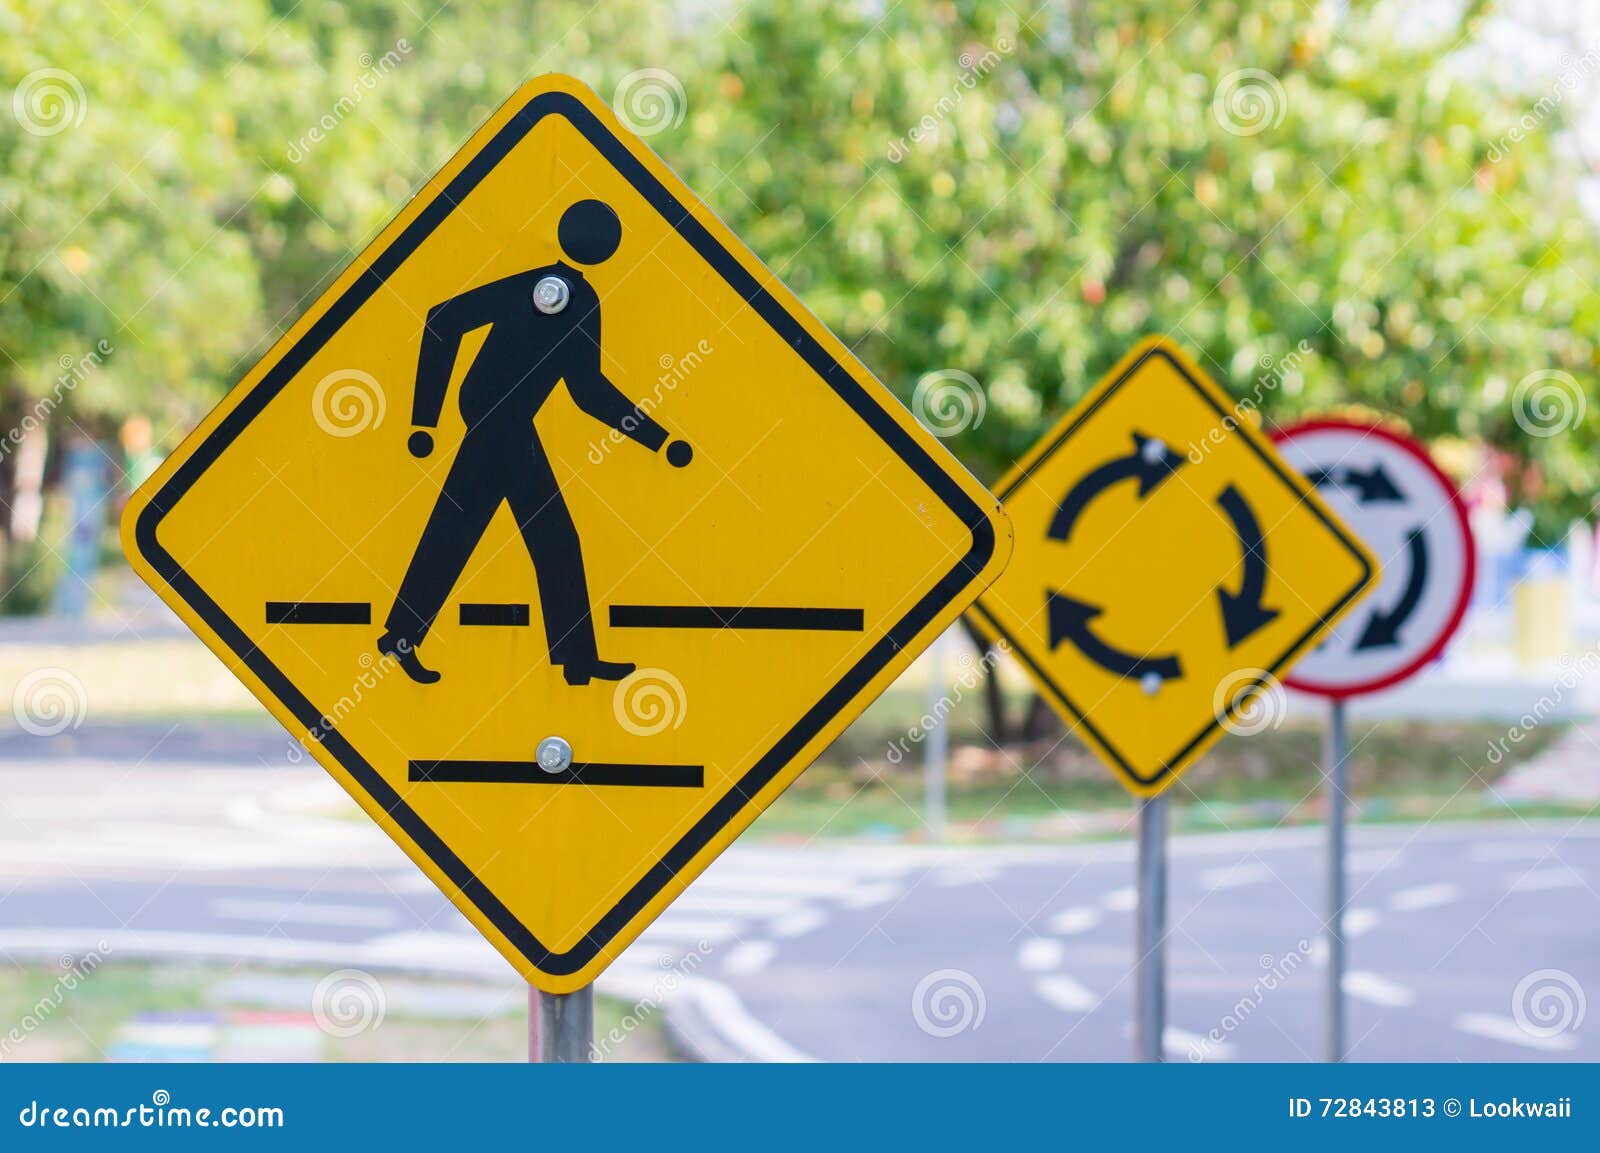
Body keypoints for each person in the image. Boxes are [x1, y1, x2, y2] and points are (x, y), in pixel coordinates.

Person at [378, 199, 692, 685]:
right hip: (492, 419)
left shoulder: (582, 304)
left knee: (474, 528)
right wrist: (424, 420)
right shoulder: (536, 288)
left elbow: (588, 392)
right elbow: (443, 319)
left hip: (506, 423)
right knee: (543, 536)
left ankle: (404, 638)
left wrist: (657, 439)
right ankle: (574, 659)